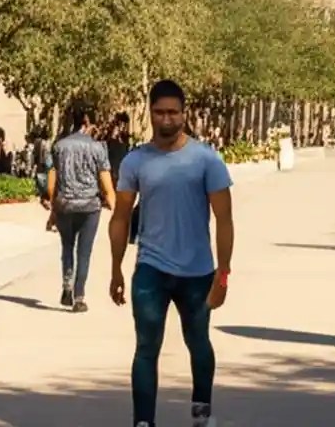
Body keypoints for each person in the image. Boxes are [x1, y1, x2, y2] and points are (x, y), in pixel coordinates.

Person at [110, 80, 233, 427]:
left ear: (184, 114)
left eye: (173, 112)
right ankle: (143, 421)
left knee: (198, 342)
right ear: (150, 113)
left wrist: (223, 275)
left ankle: (201, 409)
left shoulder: (206, 159)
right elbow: (120, 217)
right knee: (146, 347)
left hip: (197, 272)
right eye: (160, 112)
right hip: (151, 269)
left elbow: (224, 219)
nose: (166, 119)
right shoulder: (136, 161)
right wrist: (116, 269)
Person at [47, 107, 116, 313]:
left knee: (67, 247)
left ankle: (66, 286)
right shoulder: (97, 148)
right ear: (87, 123)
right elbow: (106, 183)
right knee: (84, 252)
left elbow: (52, 181)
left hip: (65, 204)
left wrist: (53, 209)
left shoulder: (59, 146)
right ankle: (79, 296)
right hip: (89, 206)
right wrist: (116, 209)